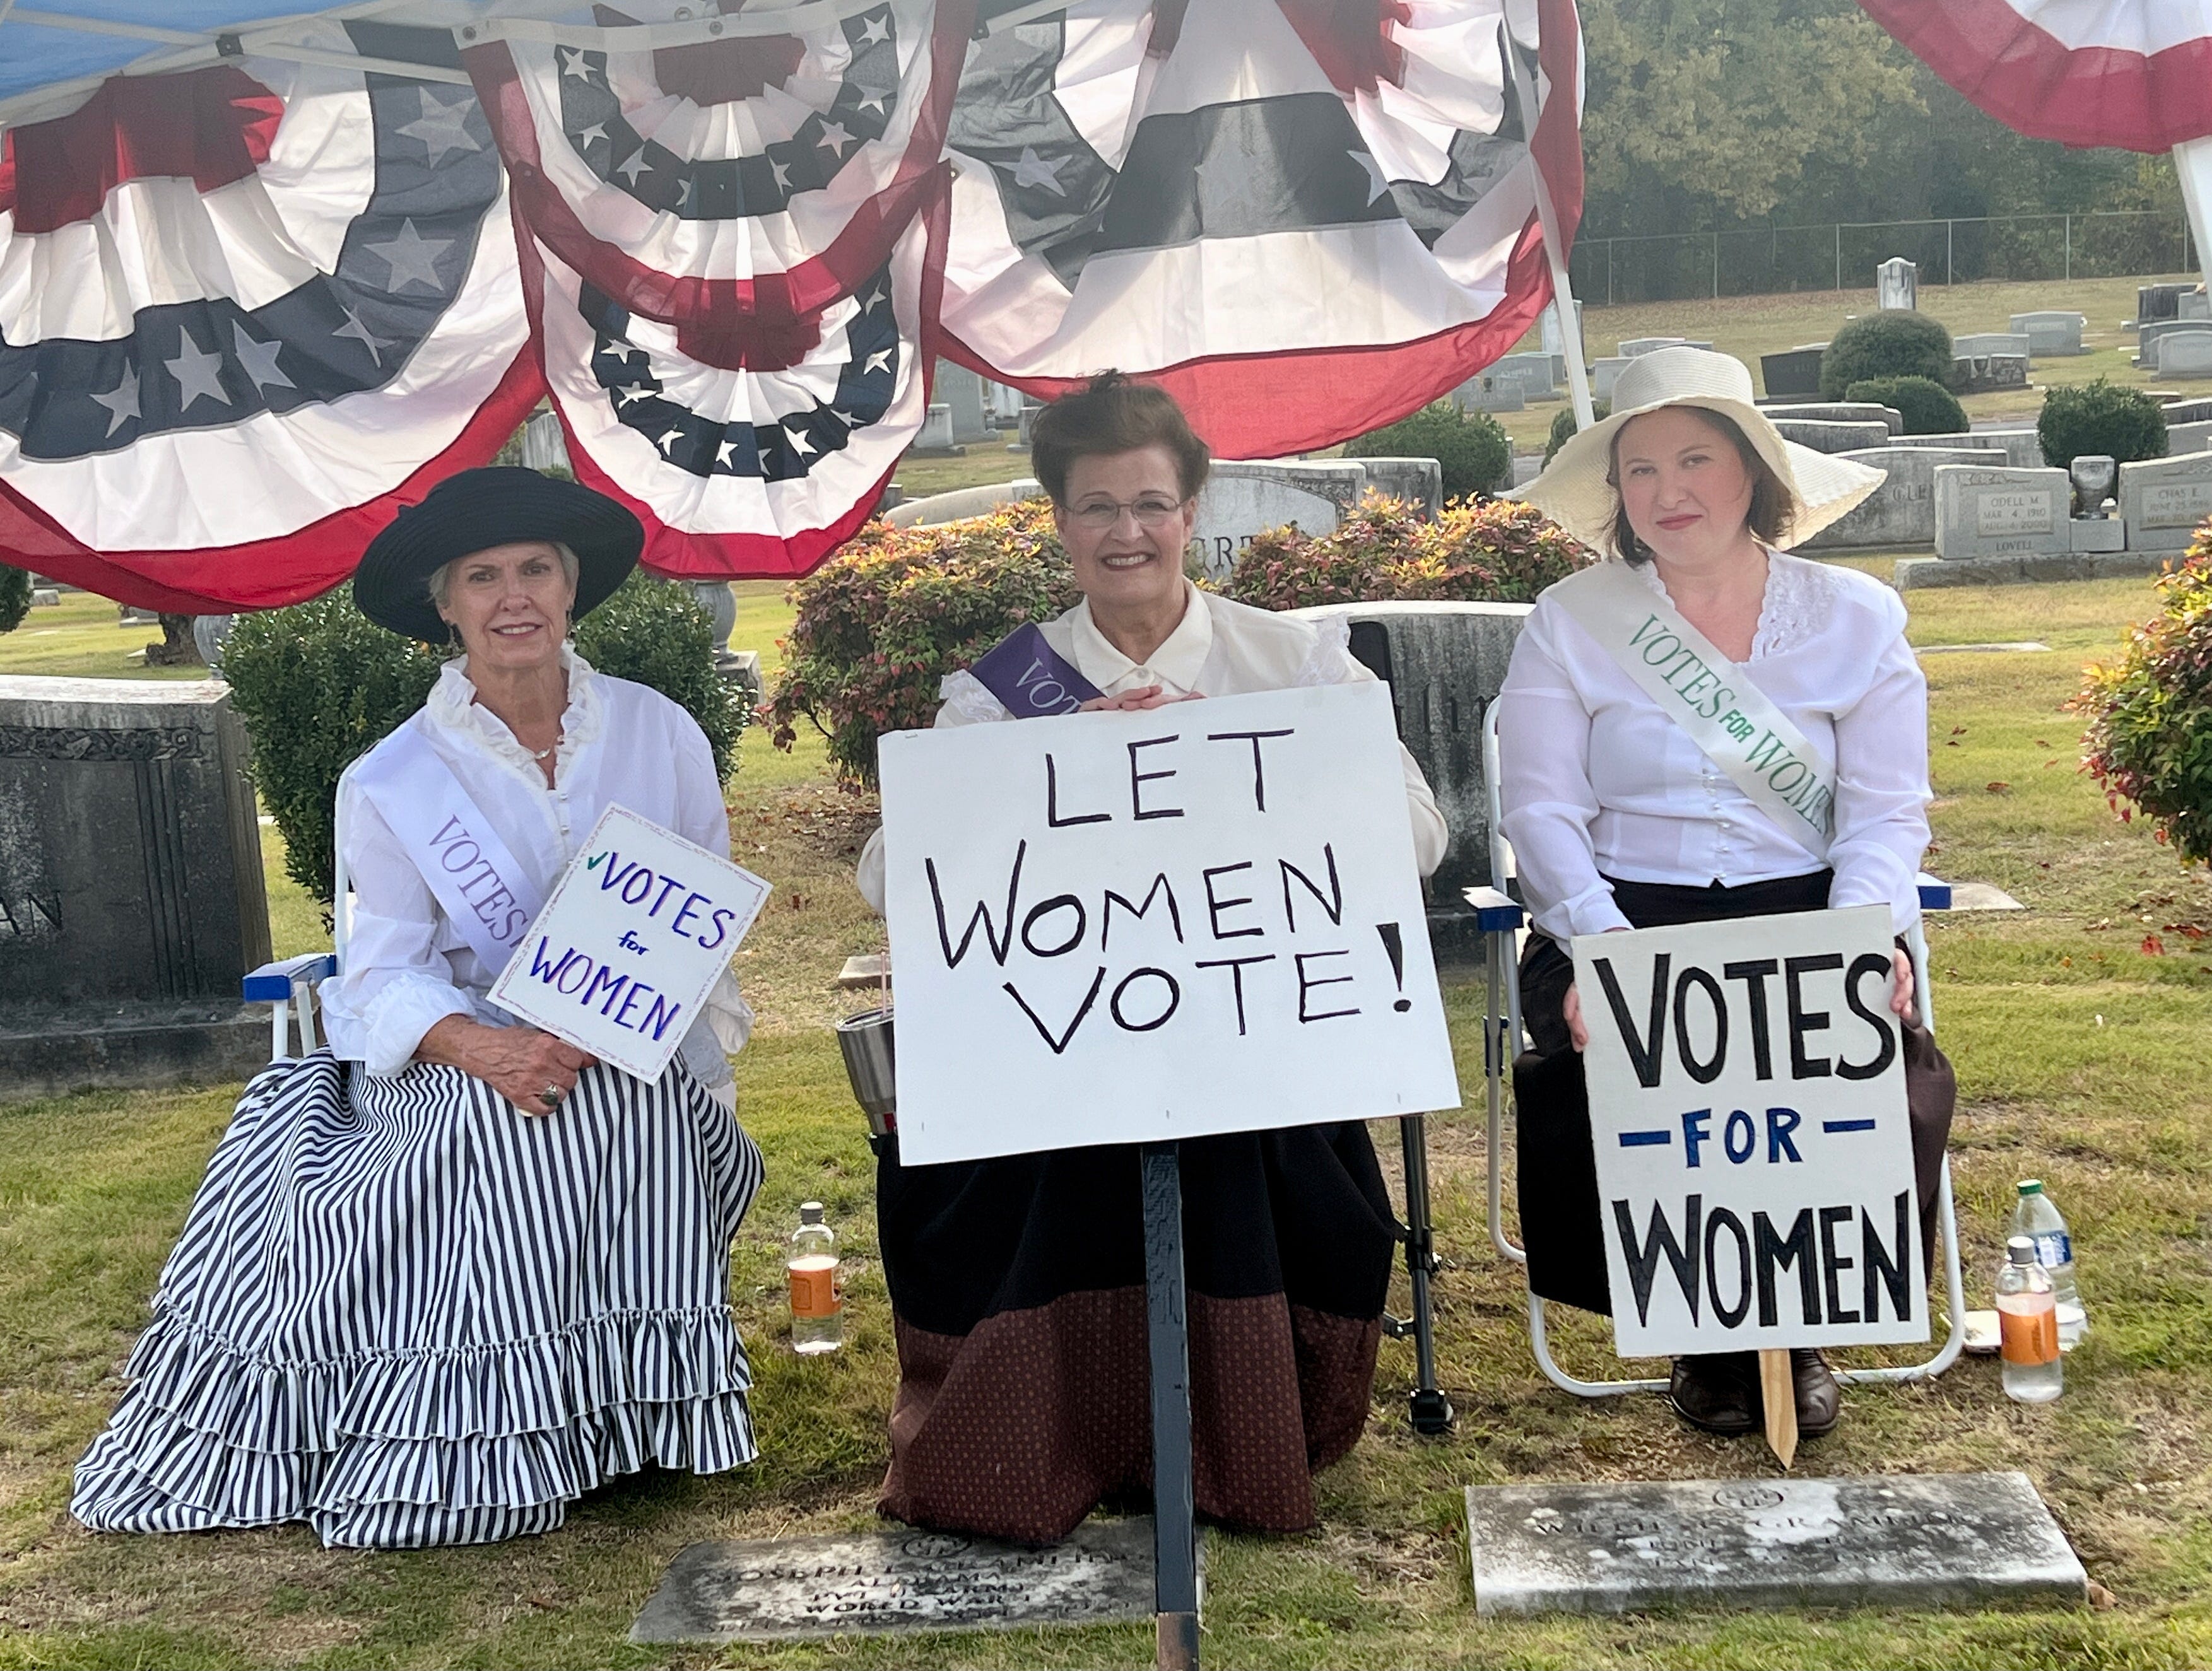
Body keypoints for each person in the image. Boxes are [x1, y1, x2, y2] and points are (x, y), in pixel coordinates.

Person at [70, 468, 763, 1549]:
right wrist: (489, 1048)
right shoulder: (390, 779)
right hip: (458, 1053)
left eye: (535, 569)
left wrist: (600, 1024)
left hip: (624, 1036)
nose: (513, 596)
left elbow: (697, 907)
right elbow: (383, 971)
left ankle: (619, 1412)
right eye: (482, 576)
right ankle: (495, 1420)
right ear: (445, 605)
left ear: (570, 586)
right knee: (510, 1121)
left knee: (626, 1102)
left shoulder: (659, 731)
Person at [851, 372, 1447, 1544]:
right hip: (1068, 1052)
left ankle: (1240, 1436)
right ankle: (1060, 1434)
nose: (1125, 531)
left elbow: (1416, 836)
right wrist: (1050, 771)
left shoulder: (1295, 664)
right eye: (1096, 507)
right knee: (1036, 1163)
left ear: (1190, 510)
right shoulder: (1005, 690)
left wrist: (1222, 767)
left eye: (1149, 504)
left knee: (1240, 1152)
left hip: (1252, 1042)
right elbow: (890, 873)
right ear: (1059, 520)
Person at [1498, 347, 1955, 1441]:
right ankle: (1704, 1335)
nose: (1668, 491)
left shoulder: (1857, 618)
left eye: (1695, 459)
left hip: (1810, 907)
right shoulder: (1570, 619)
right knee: (1614, 1064)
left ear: (1752, 469)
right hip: (1618, 913)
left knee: (1865, 1063)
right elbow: (1541, 816)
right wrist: (1603, 954)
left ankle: (1797, 1330)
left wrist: (1862, 939)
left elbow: (1886, 815)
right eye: (1640, 469)